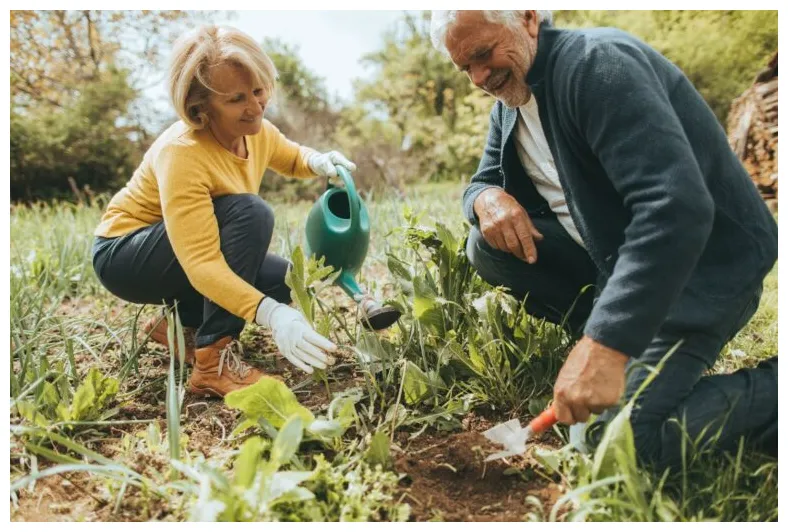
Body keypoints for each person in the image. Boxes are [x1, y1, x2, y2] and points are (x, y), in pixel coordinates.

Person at [430, 10, 778, 471]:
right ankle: (612, 340)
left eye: (482, 54)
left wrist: (606, 342)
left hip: (699, 271)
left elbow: (674, 209)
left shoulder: (597, 66)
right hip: (616, 263)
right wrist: (485, 197)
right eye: (464, 68)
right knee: (485, 243)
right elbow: (481, 179)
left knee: (611, 439)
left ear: (529, 19)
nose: (478, 77)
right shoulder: (512, 105)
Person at [92, 25, 354, 397]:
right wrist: (271, 315)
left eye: (259, 91)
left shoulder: (255, 130)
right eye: (236, 99)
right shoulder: (183, 153)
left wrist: (319, 161)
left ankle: (179, 326)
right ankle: (212, 362)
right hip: (126, 255)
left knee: (281, 279)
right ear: (200, 106)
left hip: (174, 252)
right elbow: (201, 263)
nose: (256, 106)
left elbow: (290, 156)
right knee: (251, 213)